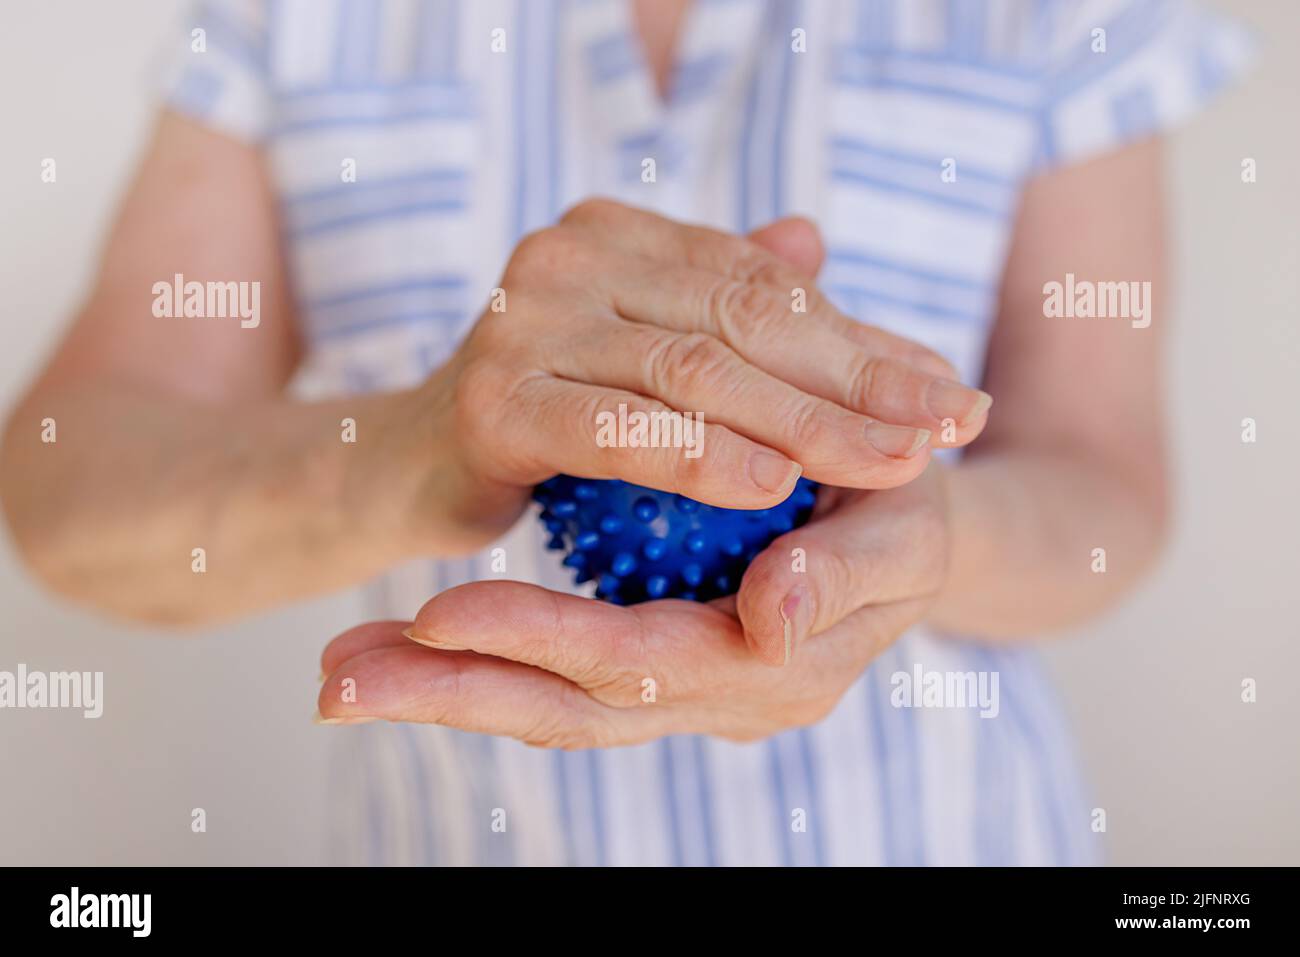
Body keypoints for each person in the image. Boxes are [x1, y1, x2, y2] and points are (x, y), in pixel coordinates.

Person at [0, 0, 1251, 865]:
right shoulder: (293, 17)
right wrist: (415, 452)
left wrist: (927, 537)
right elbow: (70, 491)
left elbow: (1105, 488)